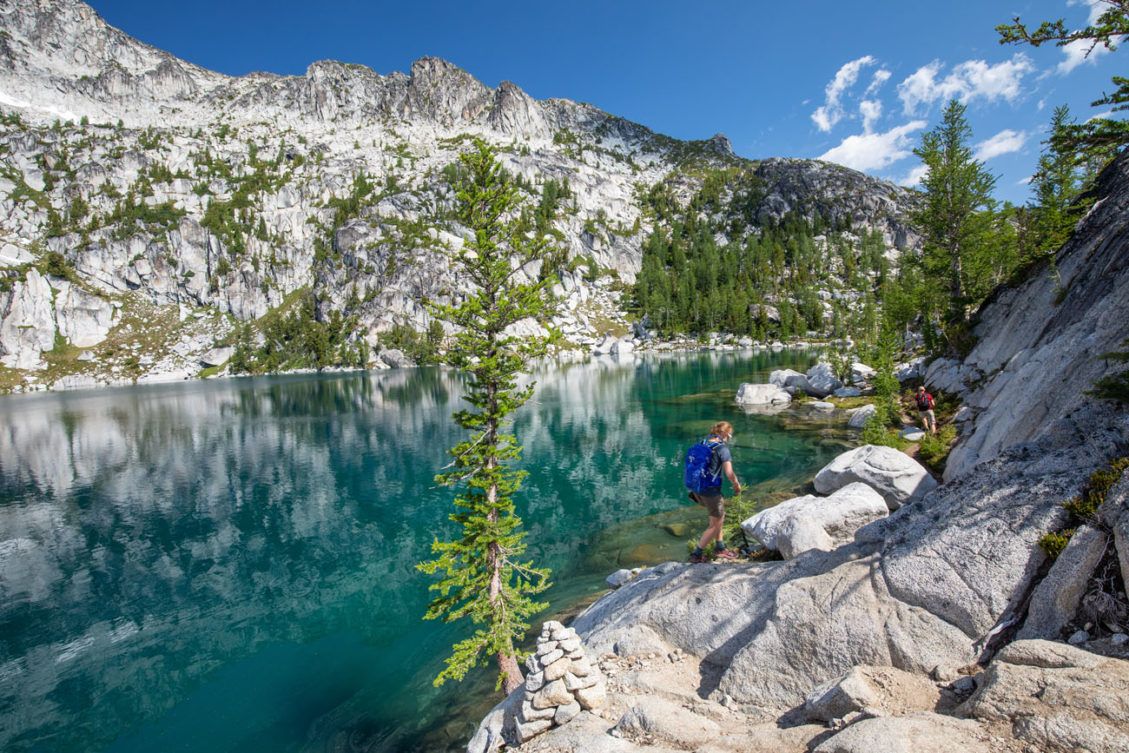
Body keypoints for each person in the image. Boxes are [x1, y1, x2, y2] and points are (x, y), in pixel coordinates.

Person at [688, 421, 742, 563]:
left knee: (718, 517)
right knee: (716, 524)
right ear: (724, 433)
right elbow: (729, 473)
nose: (729, 439)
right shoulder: (722, 449)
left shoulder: (703, 442)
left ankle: (720, 547)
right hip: (710, 491)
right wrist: (736, 484)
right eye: (729, 435)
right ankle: (696, 554)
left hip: (696, 488)